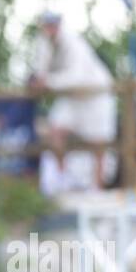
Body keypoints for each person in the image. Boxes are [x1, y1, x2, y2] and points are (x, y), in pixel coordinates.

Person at [29, 11, 117, 193]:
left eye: (52, 24)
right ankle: (62, 181)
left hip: (96, 94)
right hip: (72, 96)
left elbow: (76, 77)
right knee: (55, 130)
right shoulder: (44, 43)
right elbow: (41, 71)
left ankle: (97, 189)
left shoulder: (74, 42)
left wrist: (47, 83)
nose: (49, 28)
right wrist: (38, 80)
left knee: (99, 143)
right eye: (46, 25)